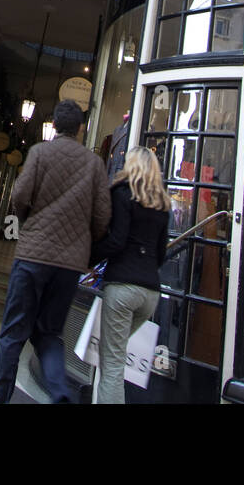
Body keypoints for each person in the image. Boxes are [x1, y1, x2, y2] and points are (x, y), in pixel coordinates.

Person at [0, 100, 110, 404]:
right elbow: (102, 217)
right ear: (81, 128)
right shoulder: (94, 164)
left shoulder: (40, 153)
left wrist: (31, 220)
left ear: (54, 125)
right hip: (69, 265)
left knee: (12, 333)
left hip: (32, 257)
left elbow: (20, 195)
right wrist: (83, 243)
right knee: (50, 334)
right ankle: (59, 393)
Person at [91, 146, 170, 404]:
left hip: (122, 287)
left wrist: (89, 260)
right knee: (115, 354)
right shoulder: (162, 204)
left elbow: (116, 241)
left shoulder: (123, 194)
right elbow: (161, 254)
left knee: (112, 363)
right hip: (150, 293)